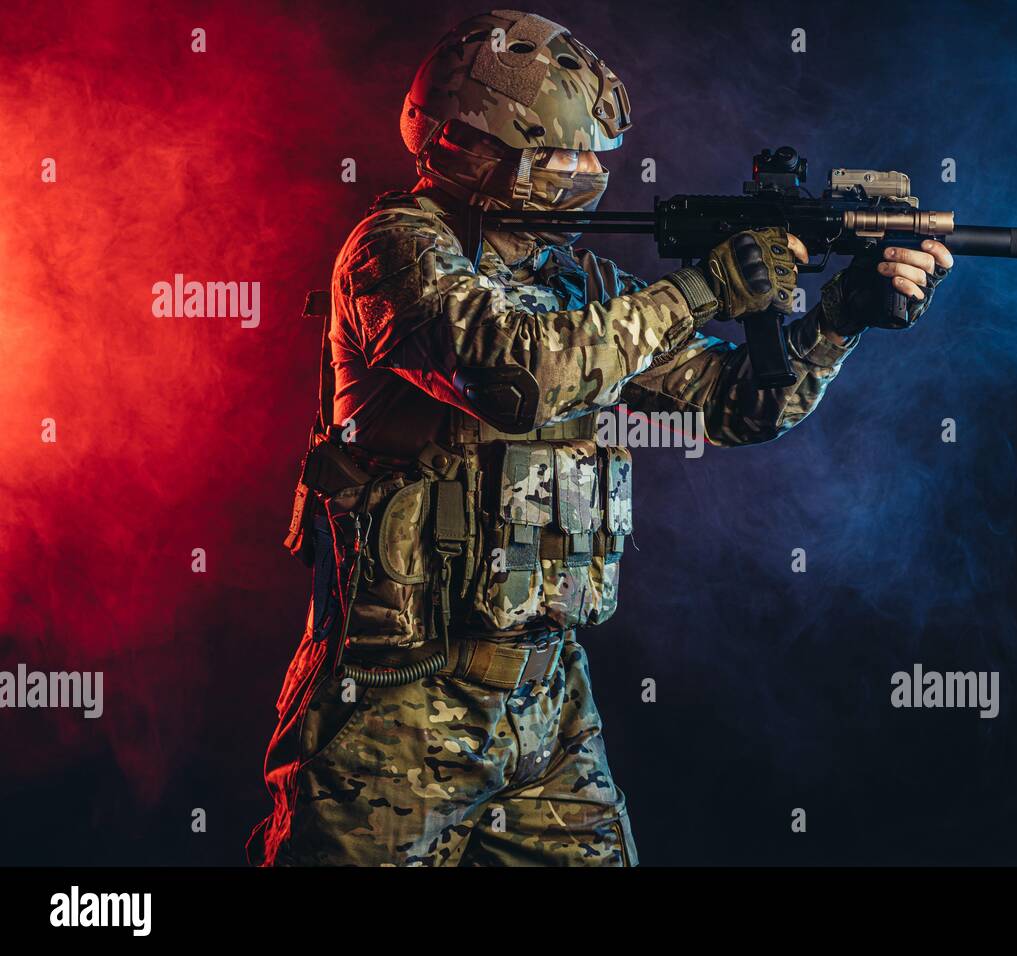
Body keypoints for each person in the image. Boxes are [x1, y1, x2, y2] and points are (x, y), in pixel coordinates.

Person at [248, 9, 953, 867]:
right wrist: (702, 289)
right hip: (394, 707)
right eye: (560, 158)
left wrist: (843, 317)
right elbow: (517, 377)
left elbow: (737, 404)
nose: (586, 176)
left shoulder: (580, 282)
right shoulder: (394, 251)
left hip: (547, 701)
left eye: (594, 158)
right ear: (472, 144)